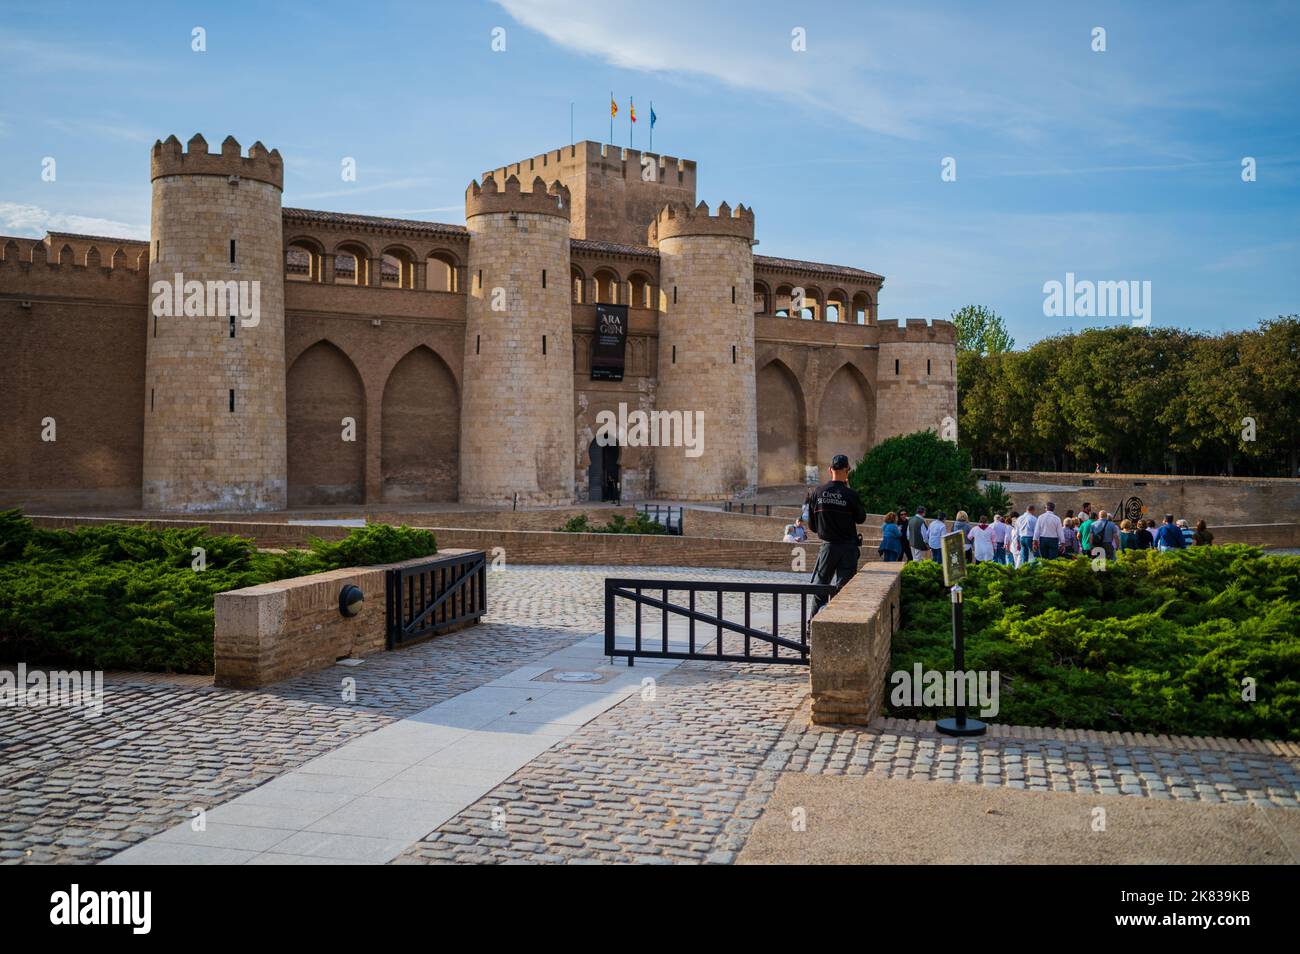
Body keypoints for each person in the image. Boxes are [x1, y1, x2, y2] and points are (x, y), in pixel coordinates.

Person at [806, 454, 867, 616]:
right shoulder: (850, 495)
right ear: (848, 471)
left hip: (827, 547)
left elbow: (812, 526)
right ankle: (836, 620)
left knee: (820, 589)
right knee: (843, 590)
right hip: (847, 547)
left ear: (829, 470)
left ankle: (813, 624)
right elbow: (861, 518)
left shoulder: (817, 493)